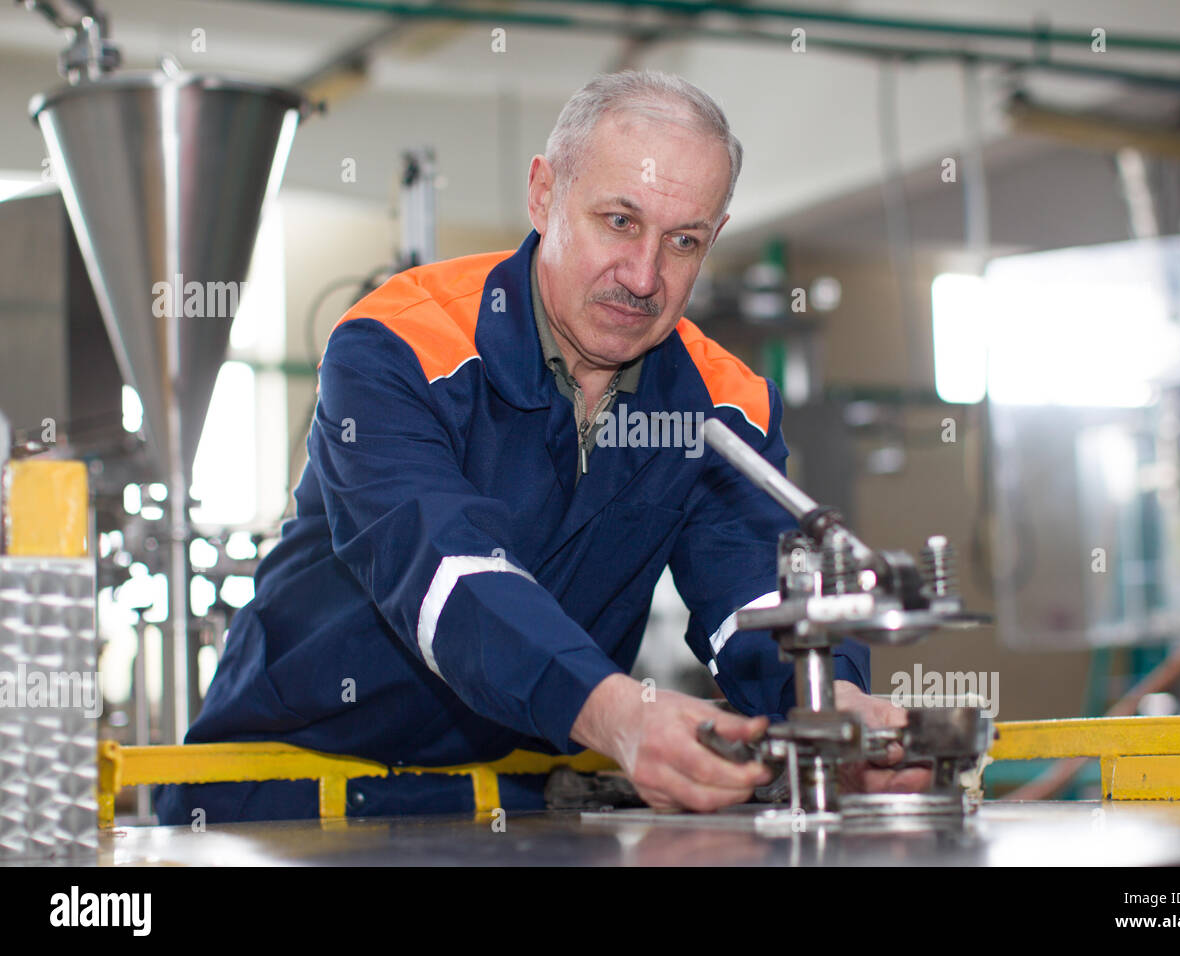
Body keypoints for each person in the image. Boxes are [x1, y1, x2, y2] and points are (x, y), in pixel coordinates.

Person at [156, 70, 926, 825]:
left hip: (510, 810)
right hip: (281, 802)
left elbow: (757, 596)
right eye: (619, 221)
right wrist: (616, 713)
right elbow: (447, 576)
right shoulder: (401, 344)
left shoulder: (722, 405)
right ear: (543, 194)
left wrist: (834, 706)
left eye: (683, 241)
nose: (645, 276)